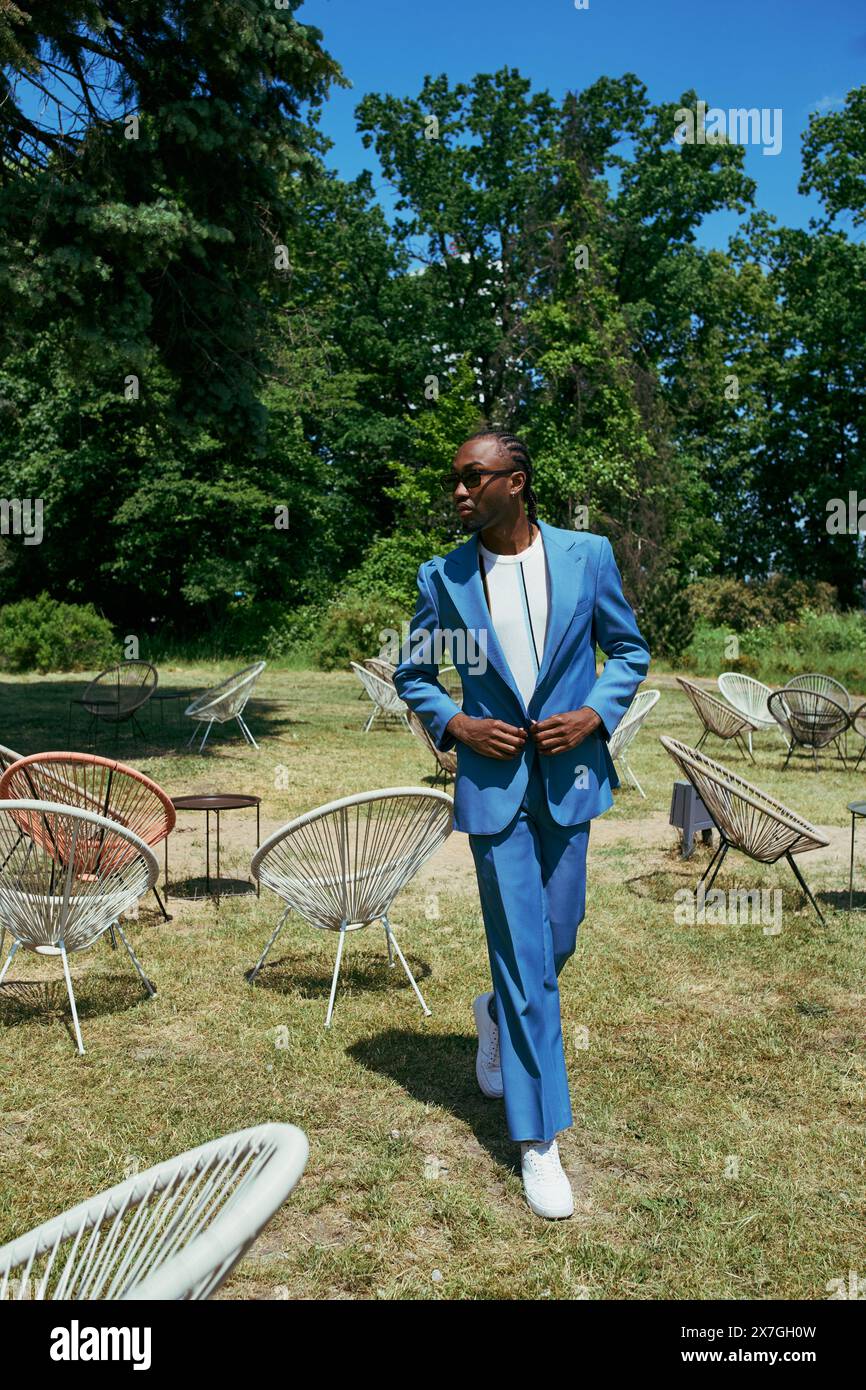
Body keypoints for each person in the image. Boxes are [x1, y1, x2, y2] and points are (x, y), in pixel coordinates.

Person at [393, 427, 650, 1219]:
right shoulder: (444, 578)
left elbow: (629, 650)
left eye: (474, 478)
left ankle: (496, 1014)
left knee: (559, 934)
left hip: (570, 781)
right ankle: (540, 1141)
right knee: (525, 950)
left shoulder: (588, 555)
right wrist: (458, 727)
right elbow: (413, 672)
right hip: (495, 791)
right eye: (456, 480)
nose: (460, 492)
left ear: (518, 481)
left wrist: (595, 716)